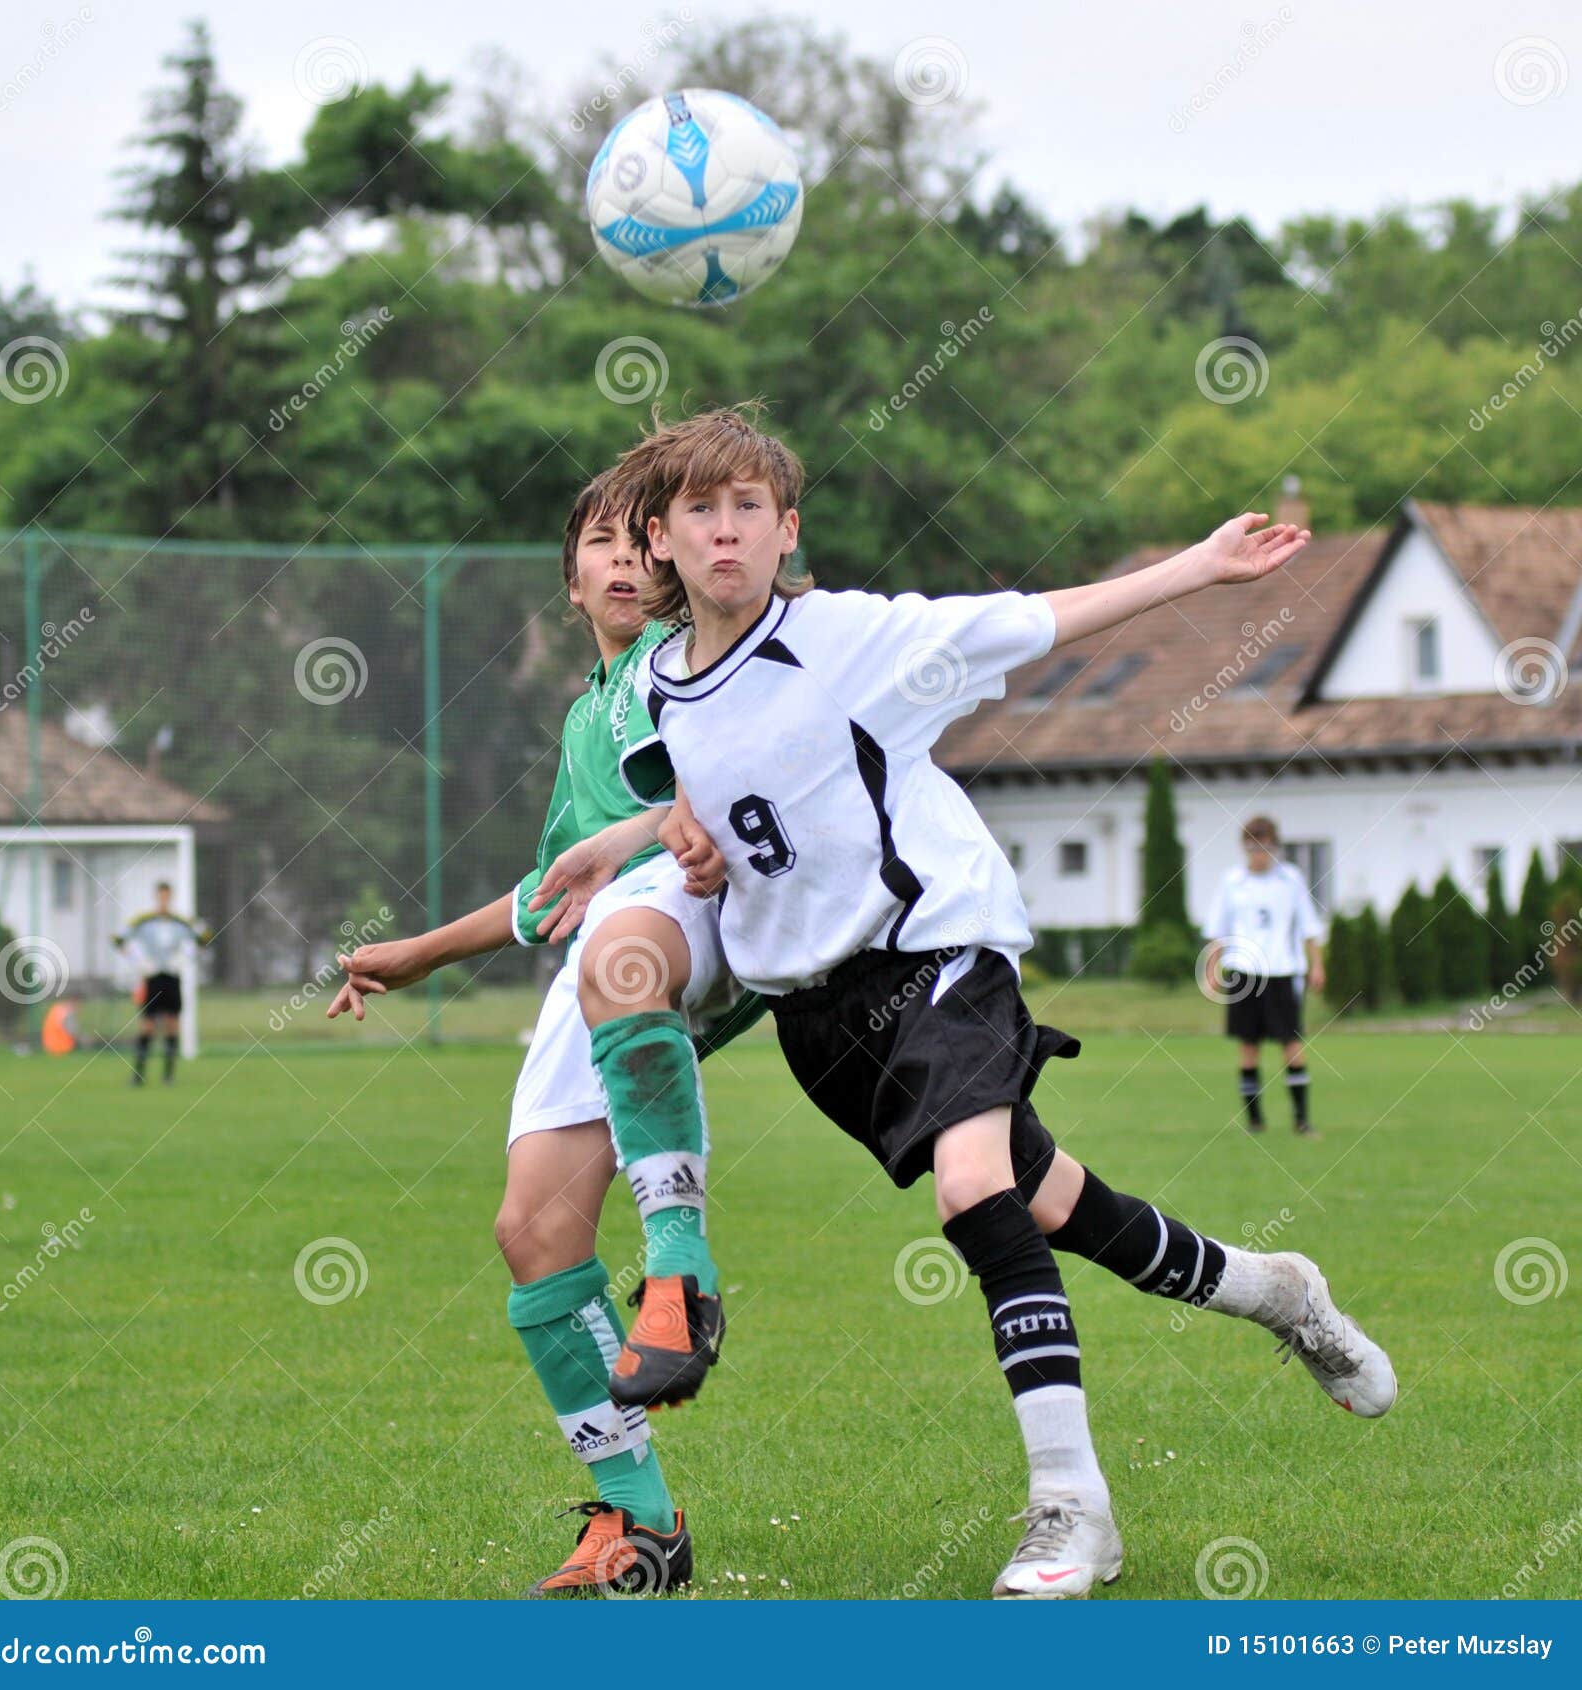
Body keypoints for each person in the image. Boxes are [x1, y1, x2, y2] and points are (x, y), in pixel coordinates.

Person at [571, 404, 1397, 1599]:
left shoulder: (848, 638)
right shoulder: (658, 683)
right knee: (1058, 1206)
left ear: (788, 528)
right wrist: (666, 837)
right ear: (660, 537)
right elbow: (699, 788)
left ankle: (1071, 1507)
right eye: (700, 509)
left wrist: (1200, 566)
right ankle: (1274, 1289)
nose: (728, 530)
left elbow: (1035, 620)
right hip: (822, 1020)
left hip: (938, 954)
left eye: (751, 506)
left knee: (973, 1190)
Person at [328, 468, 757, 1597]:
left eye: (640, 542)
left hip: (683, 922)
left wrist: (665, 833)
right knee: (532, 1234)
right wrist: (419, 953)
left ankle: (680, 1276)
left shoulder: (686, 665)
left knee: (621, 956)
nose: (623, 561)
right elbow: (555, 887)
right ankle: (641, 1522)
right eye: (598, 545)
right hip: (602, 944)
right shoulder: (584, 714)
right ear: (568, 583)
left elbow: (733, 790)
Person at [1203, 816, 1326, 1136]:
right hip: (1245, 974)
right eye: (1253, 848)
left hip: (1282, 971)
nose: (1259, 855)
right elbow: (1218, 928)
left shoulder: (1291, 879)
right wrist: (1212, 967)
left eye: (1265, 848)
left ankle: (1302, 1119)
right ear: (1244, 848)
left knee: (1291, 1044)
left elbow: (1308, 925)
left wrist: (1317, 964)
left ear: (1275, 847)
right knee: (1248, 1046)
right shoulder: (1232, 882)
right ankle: (1255, 1121)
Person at [113, 883, 210, 1084]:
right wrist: (137, 960)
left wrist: (187, 957)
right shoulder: (144, 921)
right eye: (161, 896)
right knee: (147, 1025)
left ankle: (168, 1075)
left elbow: (205, 937)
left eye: (167, 896)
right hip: (153, 977)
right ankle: (138, 1074)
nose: (164, 900)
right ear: (156, 897)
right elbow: (118, 938)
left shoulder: (181, 922)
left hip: (172, 977)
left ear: (170, 897)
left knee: (172, 1025)